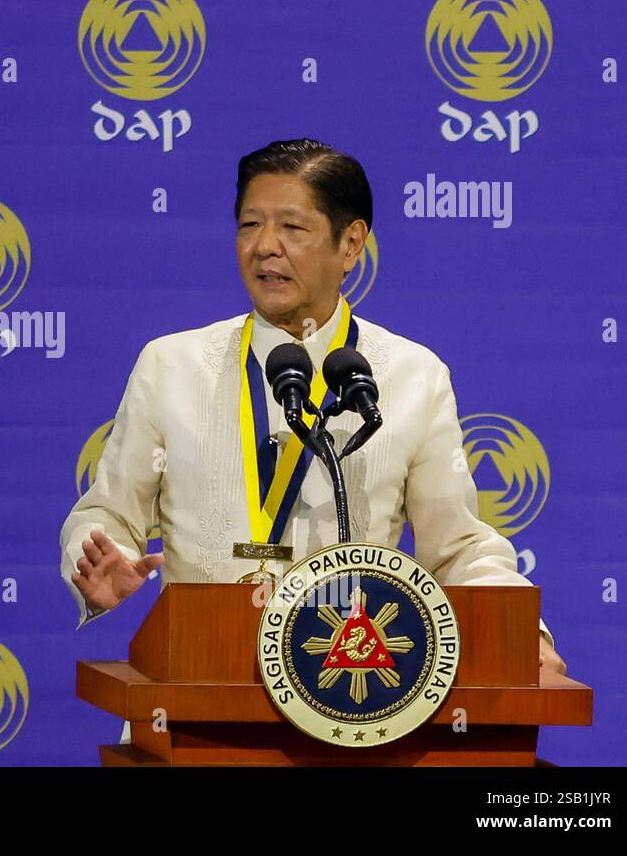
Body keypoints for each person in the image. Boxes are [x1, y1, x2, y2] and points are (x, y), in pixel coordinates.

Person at [60, 138, 565, 674]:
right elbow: (108, 512)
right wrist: (96, 560)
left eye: (291, 228)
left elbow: (458, 546)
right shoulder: (172, 366)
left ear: (350, 244)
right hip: (195, 684)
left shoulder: (411, 376)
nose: (264, 247)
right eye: (250, 225)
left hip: (348, 687)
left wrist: (523, 631)